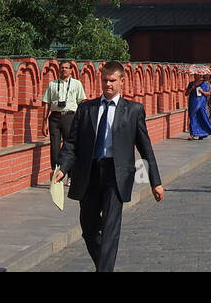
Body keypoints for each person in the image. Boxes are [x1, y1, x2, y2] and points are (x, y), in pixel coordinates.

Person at [55, 61, 163, 272]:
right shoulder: (87, 109)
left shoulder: (133, 110)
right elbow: (71, 143)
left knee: (110, 230)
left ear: (122, 81)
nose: (108, 85)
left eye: (113, 81)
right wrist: (63, 167)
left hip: (117, 175)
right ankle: (104, 266)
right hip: (90, 173)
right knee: (88, 227)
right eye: (105, 80)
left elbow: (146, 149)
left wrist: (155, 182)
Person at [41, 61, 86, 170]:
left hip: (70, 116)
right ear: (58, 69)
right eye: (62, 67)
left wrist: (81, 120)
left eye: (66, 68)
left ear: (71, 70)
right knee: (54, 146)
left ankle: (70, 173)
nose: (64, 69)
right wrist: (44, 122)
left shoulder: (76, 84)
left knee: (69, 145)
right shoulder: (52, 84)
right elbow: (47, 103)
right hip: (55, 117)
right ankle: (55, 171)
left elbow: (81, 102)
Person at [187, 71, 211, 139]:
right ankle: (192, 134)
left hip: (201, 103)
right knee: (193, 117)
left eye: (197, 74)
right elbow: (186, 94)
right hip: (193, 102)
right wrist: (192, 88)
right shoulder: (191, 84)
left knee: (202, 117)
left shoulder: (204, 84)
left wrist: (202, 92)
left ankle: (202, 133)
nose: (195, 75)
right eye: (194, 74)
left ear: (200, 75)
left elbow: (209, 93)